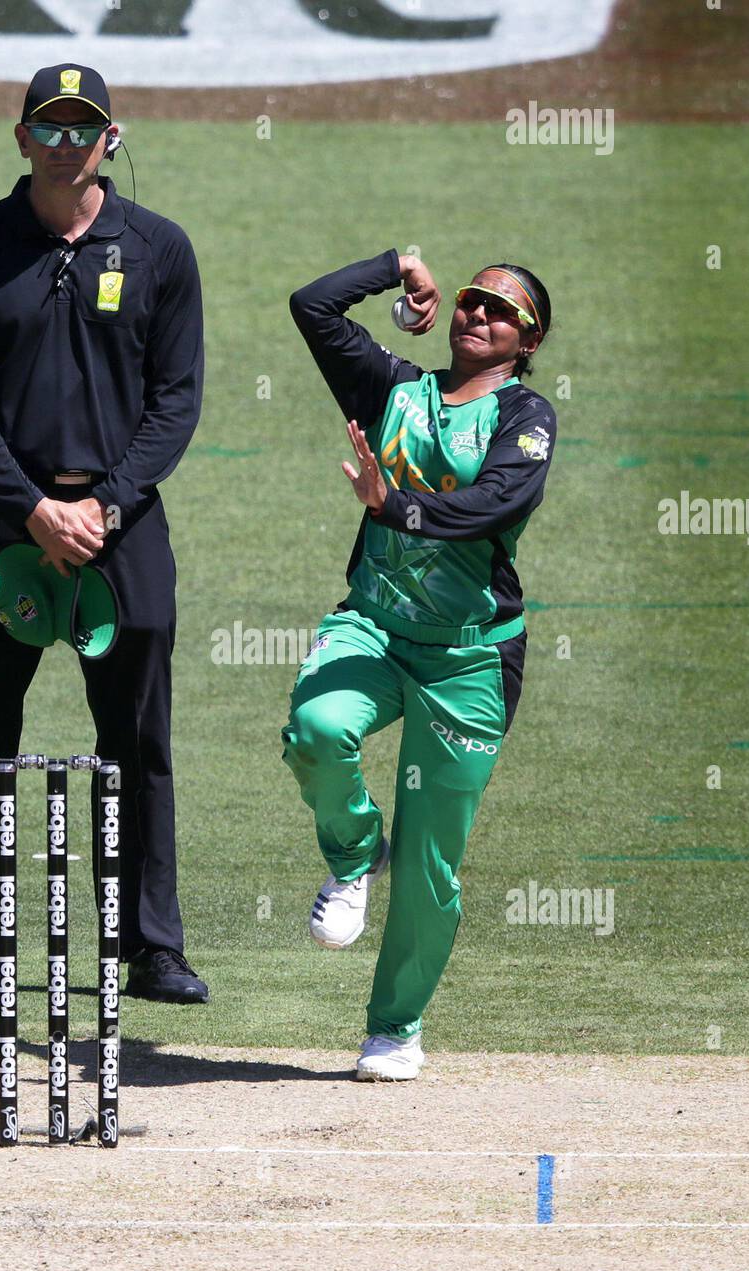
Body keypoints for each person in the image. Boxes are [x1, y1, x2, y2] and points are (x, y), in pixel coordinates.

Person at [0, 64, 208, 1006]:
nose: (68, 142)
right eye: (51, 126)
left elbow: (175, 400)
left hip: (123, 528)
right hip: (2, 524)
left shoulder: (159, 248)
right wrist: (33, 510)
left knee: (138, 739)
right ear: (22, 138)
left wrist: (104, 508)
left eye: (85, 127)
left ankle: (149, 946)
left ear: (111, 139)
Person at [284, 250, 555, 1078]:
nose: (477, 316)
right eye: (471, 302)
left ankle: (394, 1027)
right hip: (372, 624)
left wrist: (391, 503)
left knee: (431, 862)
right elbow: (312, 307)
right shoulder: (395, 388)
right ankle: (356, 851)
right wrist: (399, 267)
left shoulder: (526, 416)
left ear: (526, 340)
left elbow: (493, 503)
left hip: (468, 659)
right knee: (316, 726)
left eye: (499, 312)